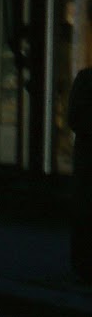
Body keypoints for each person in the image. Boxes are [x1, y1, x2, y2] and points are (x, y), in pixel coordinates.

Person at [71, 65, 92, 283]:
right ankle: (83, 265)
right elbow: (76, 118)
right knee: (85, 213)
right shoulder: (86, 79)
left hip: (86, 164)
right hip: (88, 165)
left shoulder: (84, 79)